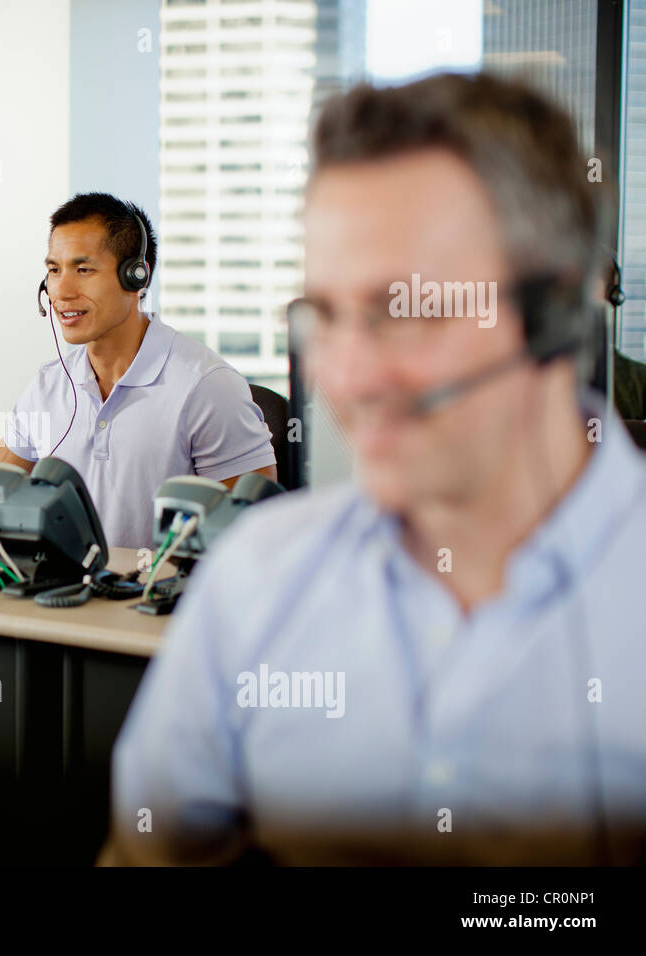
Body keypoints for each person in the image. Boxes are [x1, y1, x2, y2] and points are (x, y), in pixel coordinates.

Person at [105, 73, 646, 865]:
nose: (349, 379)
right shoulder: (257, 579)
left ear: (556, 318)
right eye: (326, 316)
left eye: (406, 310)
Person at [0, 192, 277, 548]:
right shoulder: (49, 385)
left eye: (83, 270)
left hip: (162, 601)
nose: (61, 291)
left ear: (136, 277)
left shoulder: (206, 386)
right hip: (66, 598)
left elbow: (257, 537)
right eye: (54, 270)